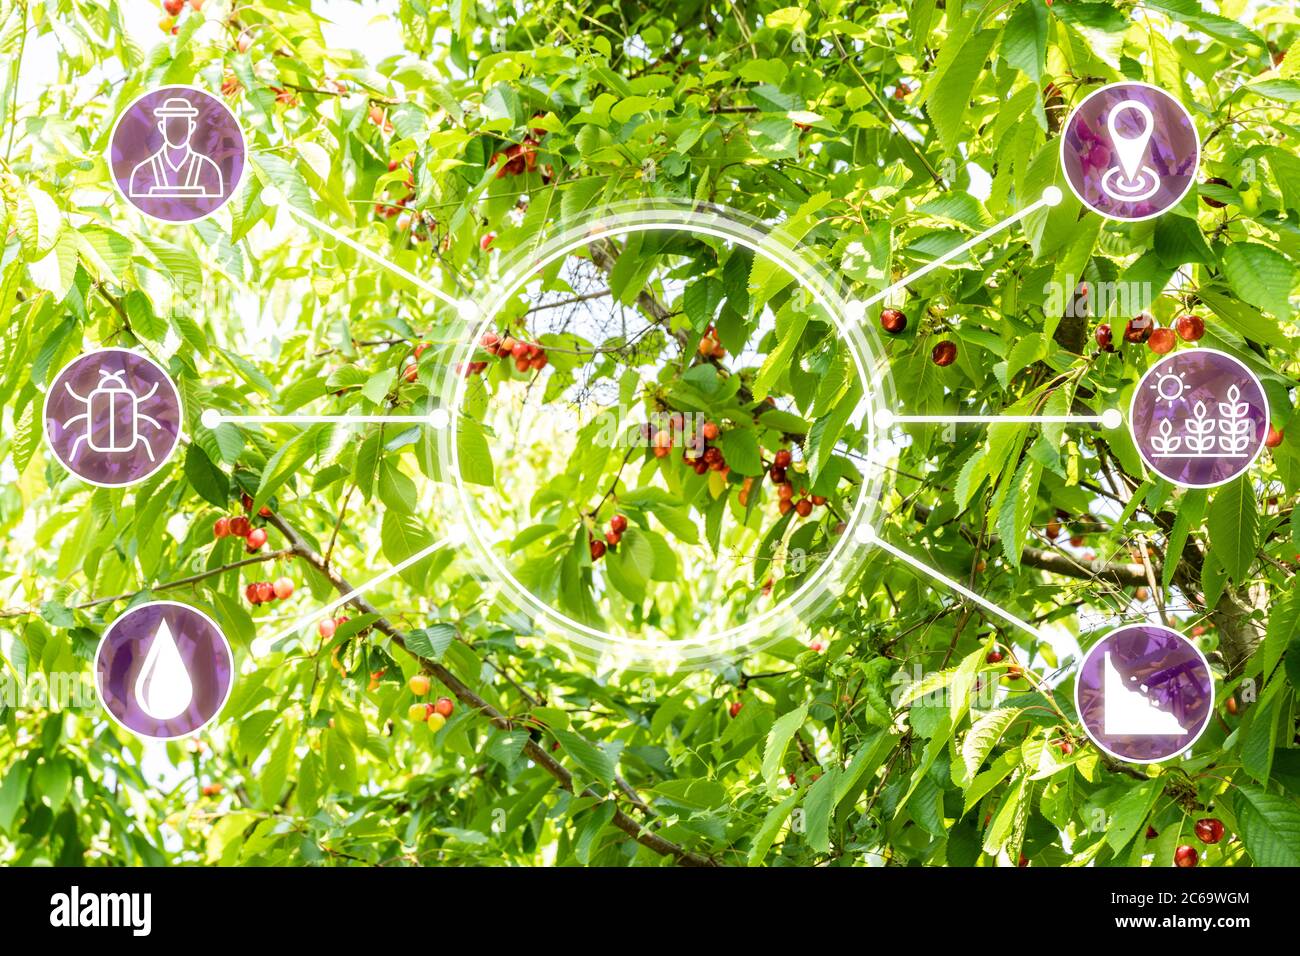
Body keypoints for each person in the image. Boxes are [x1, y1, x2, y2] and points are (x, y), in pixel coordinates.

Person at [128, 96, 224, 199]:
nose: (177, 130)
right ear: (161, 127)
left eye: (182, 124)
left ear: (191, 127)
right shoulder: (143, 168)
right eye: (172, 125)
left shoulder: (206, 166)